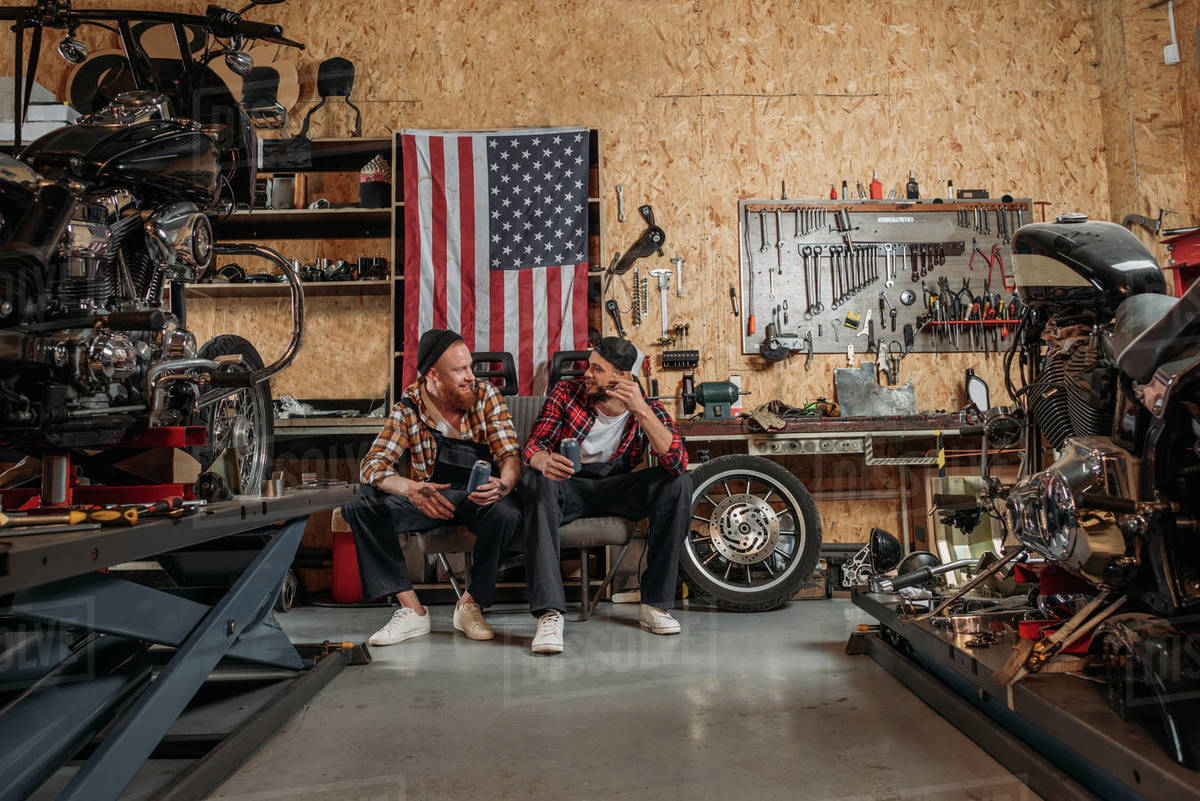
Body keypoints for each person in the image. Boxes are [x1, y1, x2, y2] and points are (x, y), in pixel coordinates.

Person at [342, 329, 522, 646]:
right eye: (459, 370)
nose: (470, 376)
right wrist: (409, 488)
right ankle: (413, 612)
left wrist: (504, 484)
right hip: (431, 499)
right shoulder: (408, 409)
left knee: (507, 512)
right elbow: (372, 466)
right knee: (359, 503)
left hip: (480, 499)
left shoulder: (486, 396)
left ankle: (470, 605)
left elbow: (509, 455)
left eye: (469, 367)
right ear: (433, 376)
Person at [519, 337, 692, 655]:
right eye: (589, 365)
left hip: (615, 488)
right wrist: (542, 459)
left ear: (623, 377)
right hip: (567, 486)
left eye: (596, 369)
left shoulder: (648, 408)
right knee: (535, 476)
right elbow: (534, 444)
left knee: (678, 483)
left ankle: (654, 604)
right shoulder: (566, 393)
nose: (586, 373)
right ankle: (549, 613)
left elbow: (677, 461)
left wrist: (640, 409)